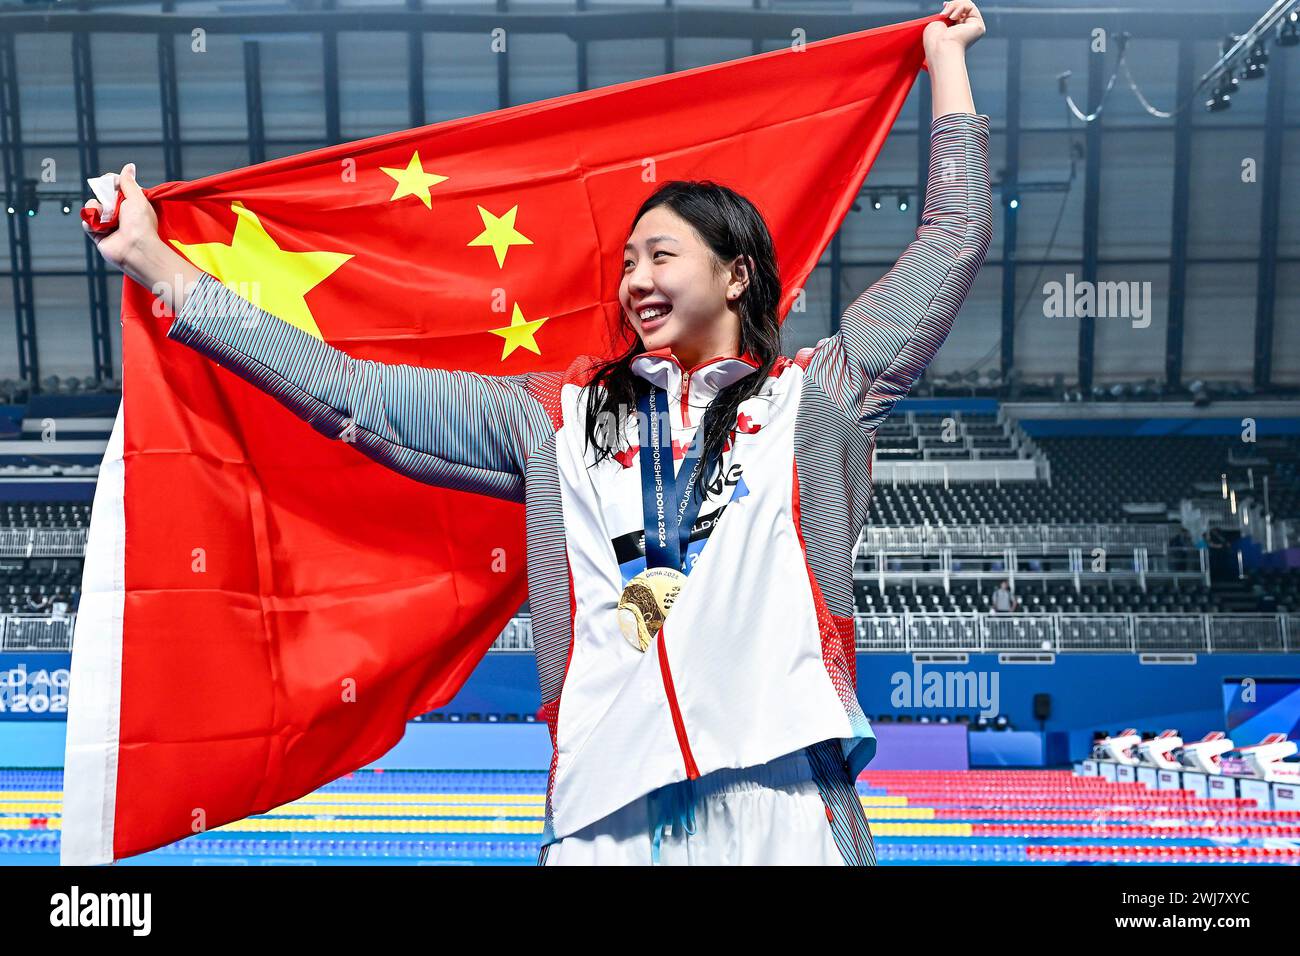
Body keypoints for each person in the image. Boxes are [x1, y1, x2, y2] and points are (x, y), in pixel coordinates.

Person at [84, 1, 991, 866]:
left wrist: (944, 65)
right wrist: (157, 263)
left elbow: (950, 240)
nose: (635, 280)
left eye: (662, 256)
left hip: (784, 793)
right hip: (605, 806)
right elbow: (350, 392)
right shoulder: (553, 417)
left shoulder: (817, 399)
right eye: (627, 261)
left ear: (737, 275)